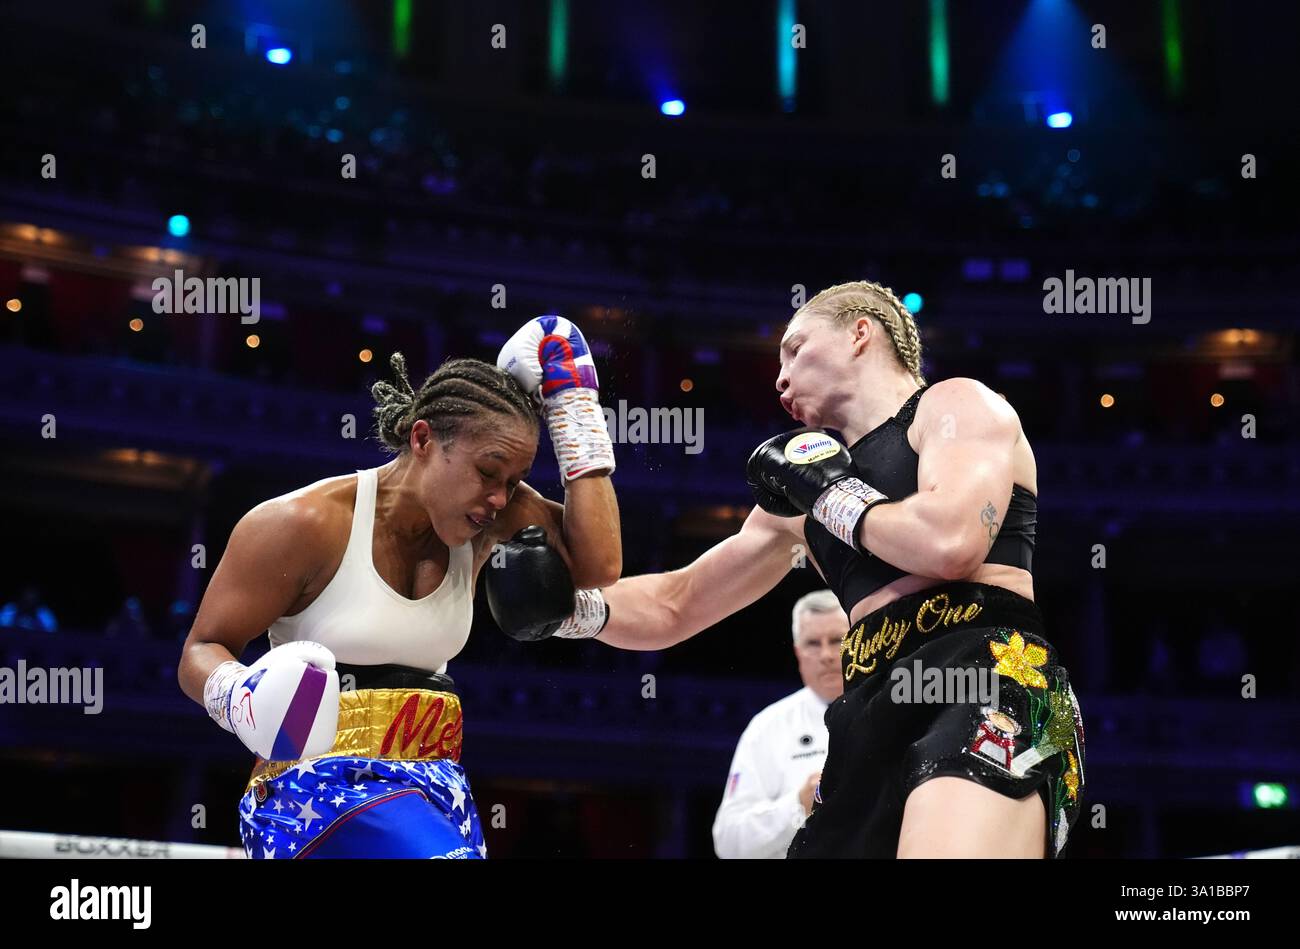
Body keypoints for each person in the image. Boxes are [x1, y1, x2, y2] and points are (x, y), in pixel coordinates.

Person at [533, 280, 1085, 858]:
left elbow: (951, 542)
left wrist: (830, 495)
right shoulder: (803, 495)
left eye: (795, 349)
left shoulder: (954, 405)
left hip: (981, 675)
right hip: (867, 708)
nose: (779, 378)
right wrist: (566, 609)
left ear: (859, 334)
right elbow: (678, 602)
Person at [177, 315, 621, 858]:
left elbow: (598, 566)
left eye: (514, 480)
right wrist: (236, 695)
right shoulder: (303, 524)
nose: (503, 499)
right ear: (422, 439)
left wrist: (573, 405)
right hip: (316, 790)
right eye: (489, 471)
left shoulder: (483, 518)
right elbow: (201, 648)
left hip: (437, 788)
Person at [712, 590, 845, 859]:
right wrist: (798, 805)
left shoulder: (895, 712)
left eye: (837, 640)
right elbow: (728, 841)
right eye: (813, 644)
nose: (826, 655)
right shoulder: (768, 727)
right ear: (798, 653)